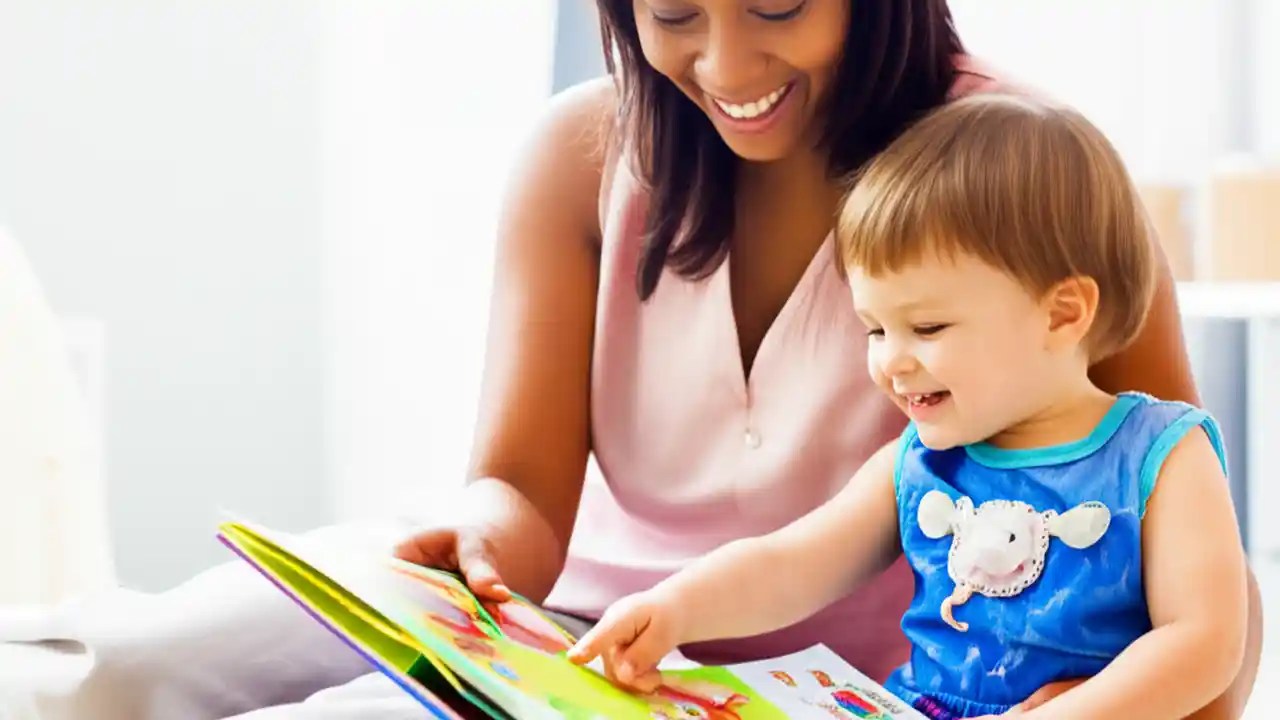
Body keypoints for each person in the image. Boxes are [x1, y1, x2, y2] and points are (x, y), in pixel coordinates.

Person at [2, 1, 1260, 718]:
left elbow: (1176, 574)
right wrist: (480, 543)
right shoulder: (581, 151)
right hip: (572, 623)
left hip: (828, 691)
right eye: (671, 14)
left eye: (776, 5)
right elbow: (519, 492)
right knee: (131, 663)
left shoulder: (1025, 174)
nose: (725, 66)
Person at [565, 93, 1249, 720]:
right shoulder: (922, 462)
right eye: (875, 328)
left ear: (1062, 314)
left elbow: (1206, 639)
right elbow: (790, 564)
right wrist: (675, 609)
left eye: (927, 329)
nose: (891, 360)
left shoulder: (1162, 455)